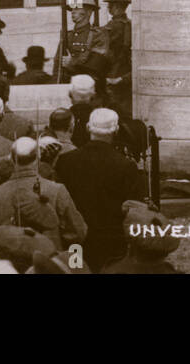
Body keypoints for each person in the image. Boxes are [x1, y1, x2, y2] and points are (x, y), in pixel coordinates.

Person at [54, 108, 146, 270]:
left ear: (88, 127)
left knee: (77, 272)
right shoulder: (126, 166)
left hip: (76, 242)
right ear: (116, 130)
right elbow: (134, 207)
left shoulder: (65, 161)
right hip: (113, 242)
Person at [0, 137, 87, 251]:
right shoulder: (57, 190)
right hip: (48, 261)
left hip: (10, 264)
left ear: (12, 160)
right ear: (38, 158)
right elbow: (78, 232)